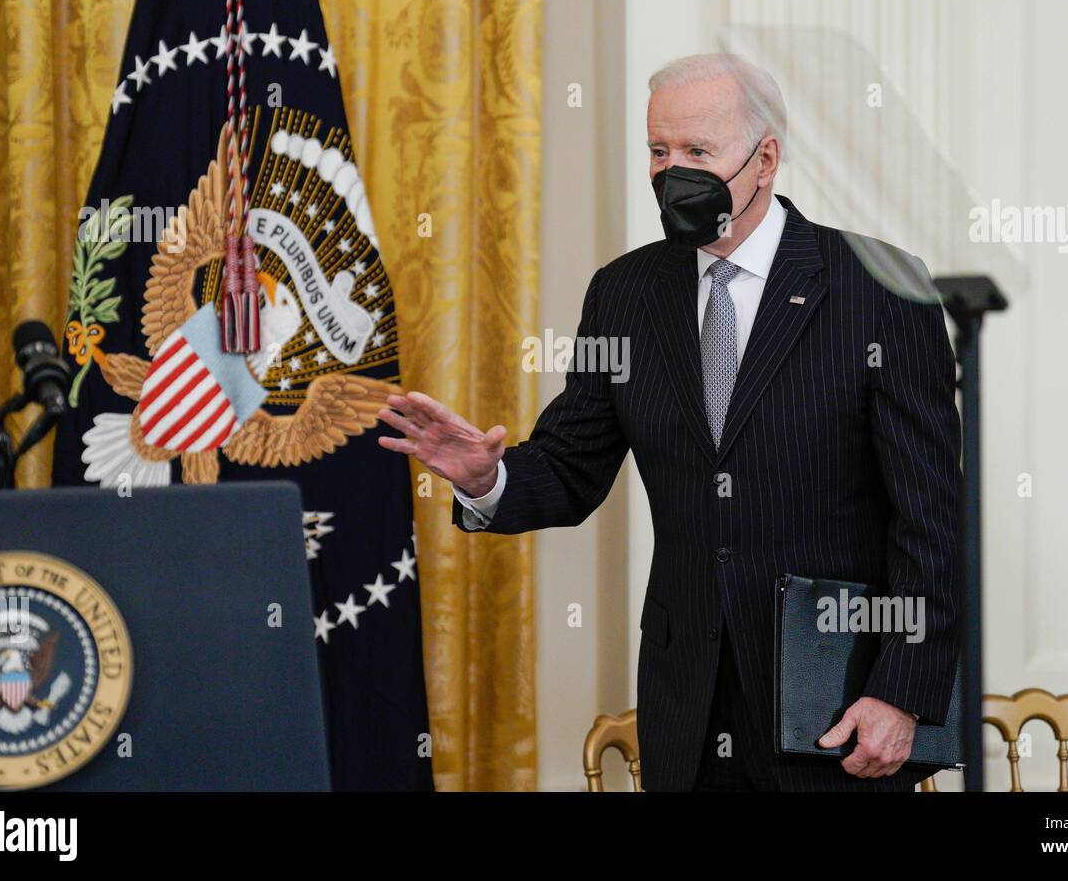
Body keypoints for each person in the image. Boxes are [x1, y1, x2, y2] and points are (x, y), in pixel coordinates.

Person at [377, 52, 961, 791]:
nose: (670, 171)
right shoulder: (623, 293)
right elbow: (568, 466)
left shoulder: (881, 289)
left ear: (765, 159)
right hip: (688, 706)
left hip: (837, 698)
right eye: (658, 151)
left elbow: (932, 520)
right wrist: (489, 477)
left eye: (696, 152)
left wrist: (902, 691)